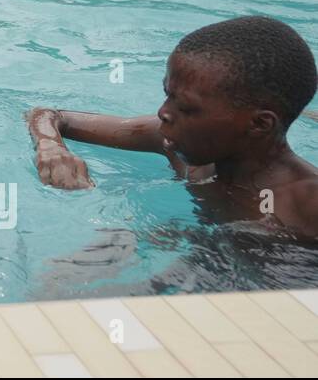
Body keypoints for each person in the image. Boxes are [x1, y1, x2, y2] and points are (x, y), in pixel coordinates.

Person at [26, 16, 318, 240]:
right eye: (168, 95)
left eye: (187, 108)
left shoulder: (306, 203)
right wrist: (50, 146)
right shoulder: (175, 145)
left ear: (259, 124)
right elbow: (48, 114)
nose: (163, 113)